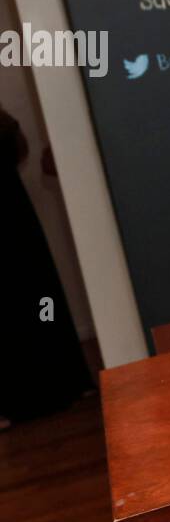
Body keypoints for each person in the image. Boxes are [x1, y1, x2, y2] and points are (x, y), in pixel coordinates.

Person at [0, 103, 94, 426]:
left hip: (16, 222)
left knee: (27, 303)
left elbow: (20, 149)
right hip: (17, 223)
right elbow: (20, 149)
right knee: (36, 298)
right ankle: (63, 384)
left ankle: (29, 397)